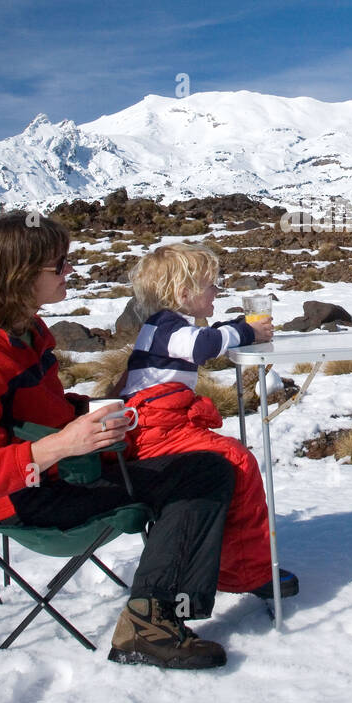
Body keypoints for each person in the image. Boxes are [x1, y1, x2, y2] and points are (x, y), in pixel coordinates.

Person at [0, 211, 239, 670]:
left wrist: (101, 405)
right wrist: (62, 445)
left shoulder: (29, 331)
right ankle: (148, 627)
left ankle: (160, 610)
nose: (70, 271)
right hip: (29, 500)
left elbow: (45, 411)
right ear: (20, 275)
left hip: (74, 470)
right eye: (59, 265)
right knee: (200, 476)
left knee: (203, 463)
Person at [119, 242, 298, 600]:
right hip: (155, 432)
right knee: (237, 460)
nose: (217, 289)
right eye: (210, 284)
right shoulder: (165, 327)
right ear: (183, 293)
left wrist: (237, 326)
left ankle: (234, 562)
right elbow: (203, 346)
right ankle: (249, 573)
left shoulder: (165, 327)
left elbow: (203, 338)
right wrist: (247, 332)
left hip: (157, 427)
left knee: (233, 459)